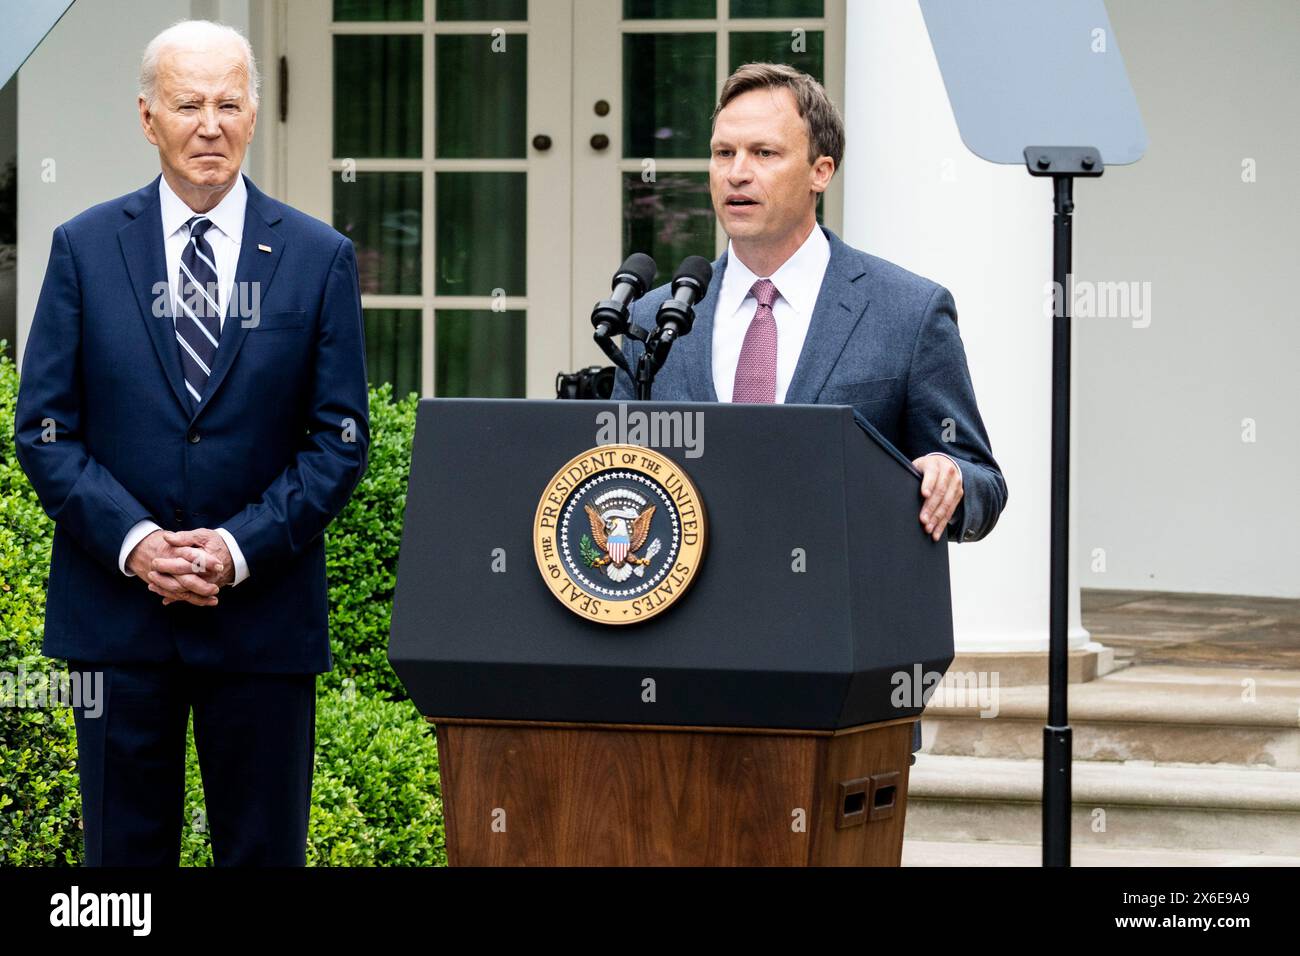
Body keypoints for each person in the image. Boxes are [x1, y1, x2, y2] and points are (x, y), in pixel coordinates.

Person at [13, 20, 369, 865]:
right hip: (117, 623)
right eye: (187, 105)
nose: (209, 124)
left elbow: (339, 439)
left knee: (262, 852)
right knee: (123, 870)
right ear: (147, 118)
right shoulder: (84, 248)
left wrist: (235, 549)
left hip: (262, 621)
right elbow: (45, 430)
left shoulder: (318, 258)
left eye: (228, 104)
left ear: (252, 116)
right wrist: (138, 546)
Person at [613, 63, 1008, 758]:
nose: (737, 173)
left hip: (839, 680)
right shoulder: (659, 317)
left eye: (764, 154)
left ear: (821, 170)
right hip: (673, 678)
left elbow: (982, 479)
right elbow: (614, 471)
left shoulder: (906, 312)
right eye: (723, 153)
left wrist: (949, 472)